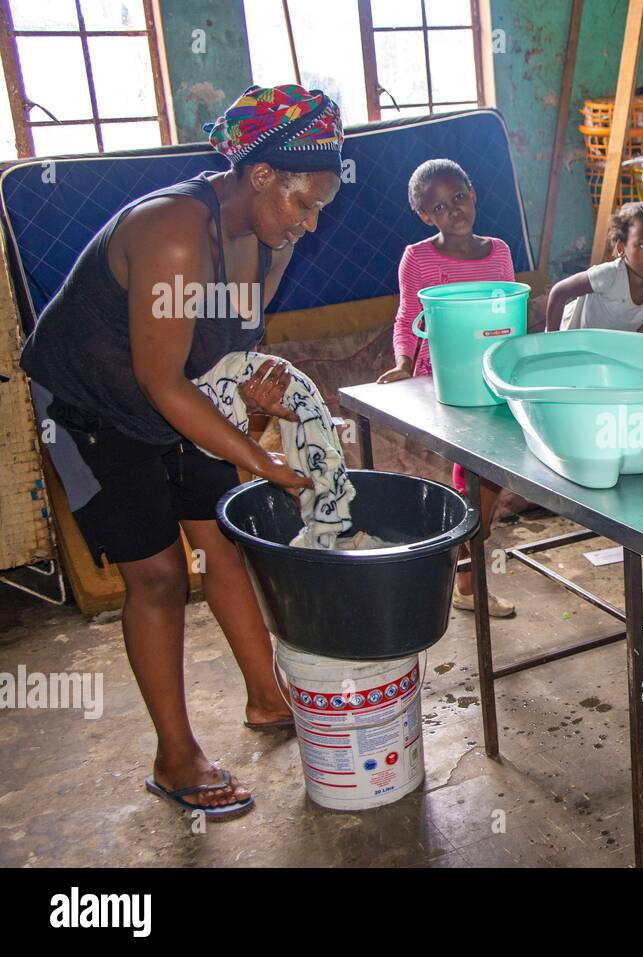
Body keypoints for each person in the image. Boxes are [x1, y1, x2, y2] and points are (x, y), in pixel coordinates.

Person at [19, 84, 343, 818]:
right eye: (303, 201)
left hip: (175, 396)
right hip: (93, 406)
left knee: (221, 543)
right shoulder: (172, 229)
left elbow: (224, 354)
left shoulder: (269, 237)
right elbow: (158, 378)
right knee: (160, 576)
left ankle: (268, 696)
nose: (312, 221)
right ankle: (176, 754)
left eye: (321, 205)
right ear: (260, 174)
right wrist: (260, 460)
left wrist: (255, 398)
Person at [376, 159, 515, 618]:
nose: (453, 210)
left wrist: (516, 365)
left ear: (473, 193)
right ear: (424, 216)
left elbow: (507, 316)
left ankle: (463, 566)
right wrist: (402, 364)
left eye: (458, 197)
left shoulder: (499, 252)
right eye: (439, 206)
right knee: (472, 478)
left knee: (487, 482)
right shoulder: (418, 258)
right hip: (447, 383)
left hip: (492, 379)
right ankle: (468, 579)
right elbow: (406, 317)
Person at [545, 201, 643, 333]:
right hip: (575, 343)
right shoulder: (608, 275)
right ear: (621, 248)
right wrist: (552, 343)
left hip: (612, 348)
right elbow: (559, 292)